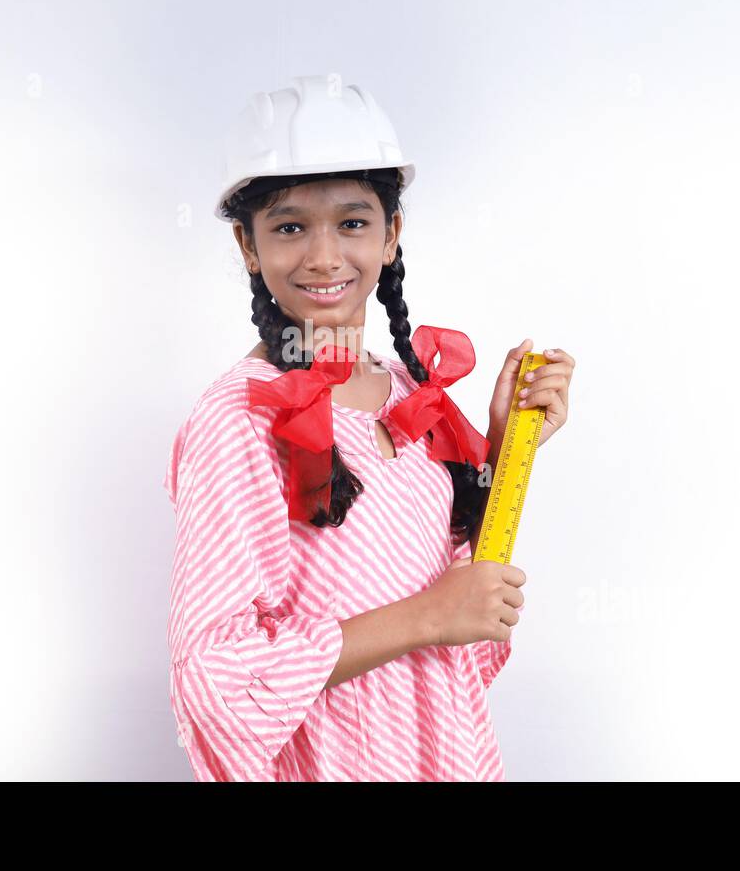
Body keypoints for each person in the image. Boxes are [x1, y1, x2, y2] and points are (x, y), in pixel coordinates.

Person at [164, 74, 576, 781]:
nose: (324, 256)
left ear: (392, 236)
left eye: (352, 222)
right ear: (248, 246)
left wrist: (509, 452)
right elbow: (216, 678)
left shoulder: (414, 395)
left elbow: (463, 615)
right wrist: (426, 616)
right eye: (290, 226)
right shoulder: (239, 421)